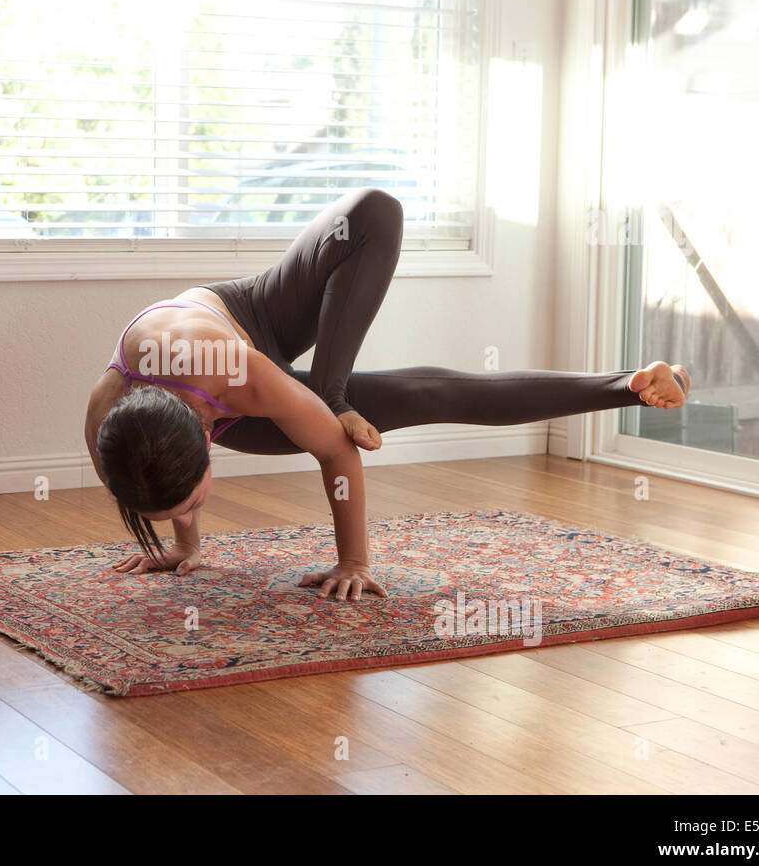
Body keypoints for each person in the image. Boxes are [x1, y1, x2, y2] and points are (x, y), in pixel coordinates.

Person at [83, 188, 689, 602]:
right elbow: (167, 477)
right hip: (218, 400)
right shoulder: (107, 425)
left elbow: (337, 453)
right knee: (424, 395)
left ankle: (334, 390)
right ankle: (629, 389)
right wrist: (183, 547)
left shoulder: (236, 372)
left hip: (246, 316)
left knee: (375, 211)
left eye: (188, 501)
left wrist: (353, 562)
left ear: (205, 443)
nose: (186, 511)